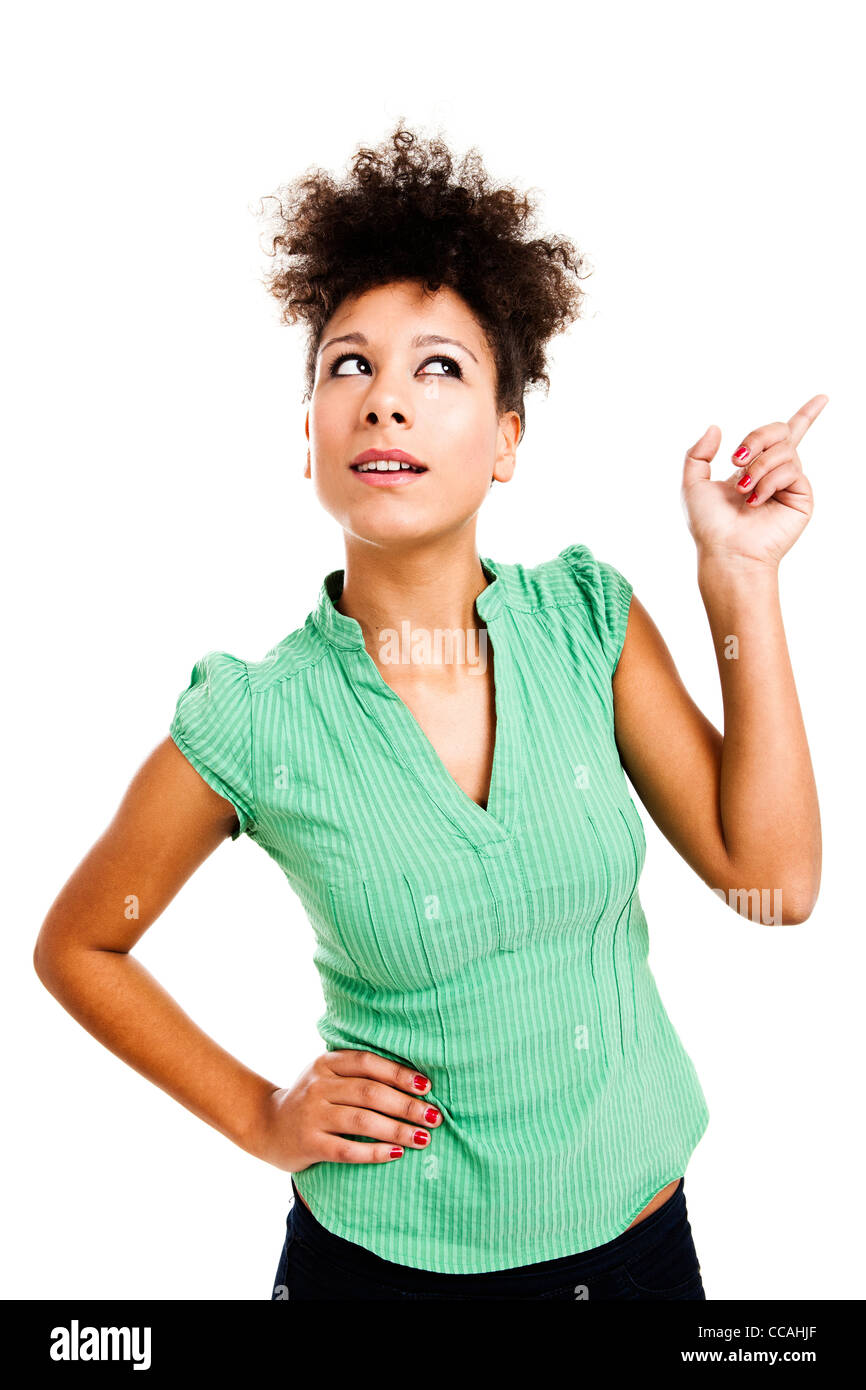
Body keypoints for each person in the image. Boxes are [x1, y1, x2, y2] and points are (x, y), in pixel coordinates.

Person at [33, 123, 824, 1301]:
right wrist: (261, 1115)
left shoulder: (586, 625)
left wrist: (740, 582)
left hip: (641, 1256)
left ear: (506, 440)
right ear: (307, 433)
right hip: (383, 1273)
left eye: (438, 368)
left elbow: (774, 879)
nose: (385, 401)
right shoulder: (256, 722)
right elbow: (80, 945)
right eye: (347, 366)